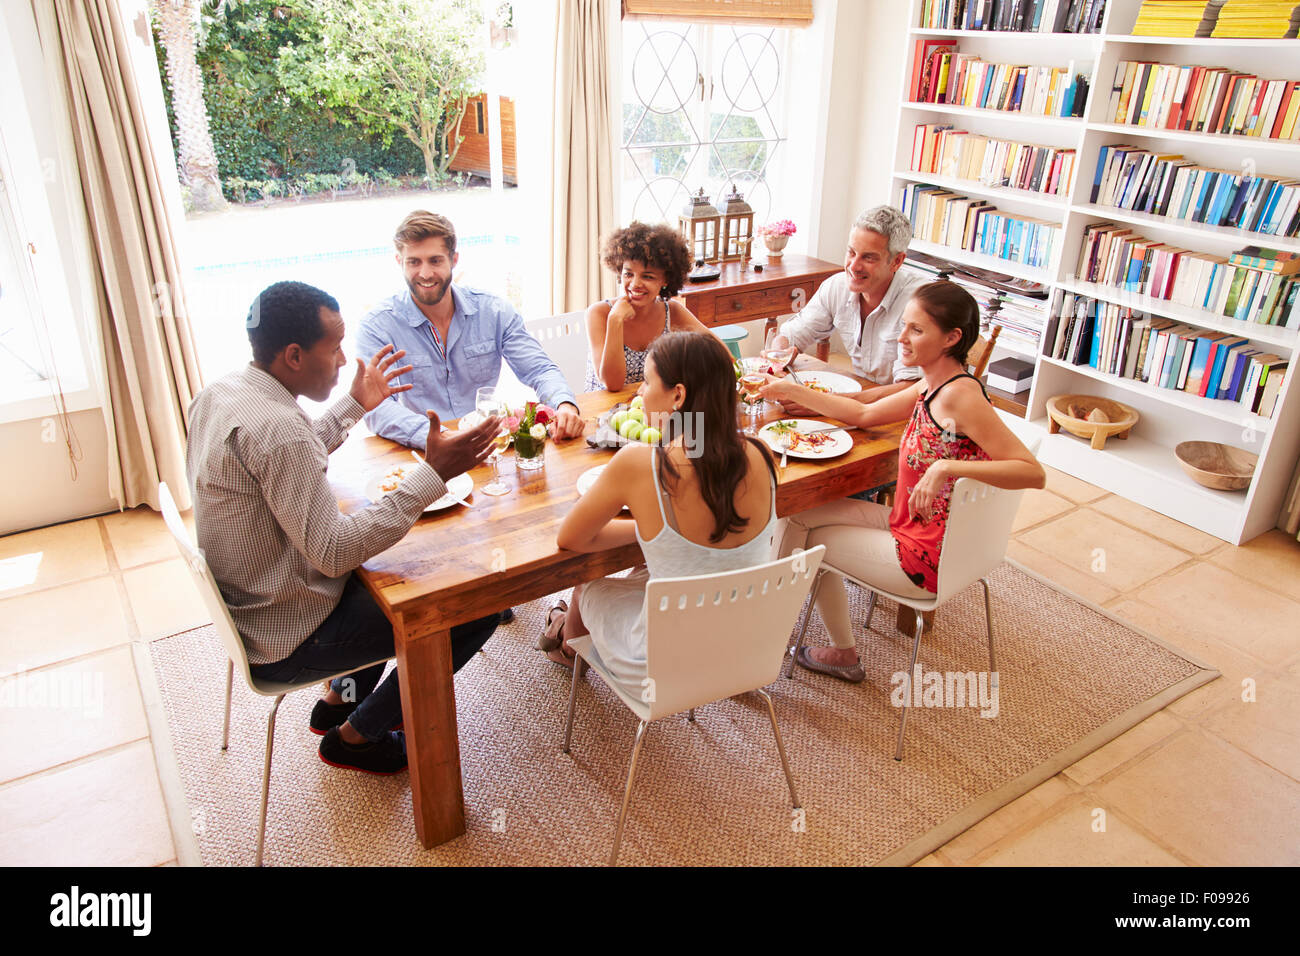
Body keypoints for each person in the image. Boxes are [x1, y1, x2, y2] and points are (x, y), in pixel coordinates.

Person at [187, 281, 504, 773]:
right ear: (294, 355)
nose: (343, 360)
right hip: (287, 635)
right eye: (334, 348)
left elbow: (286, 457)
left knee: (390, 566)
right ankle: (356, 737)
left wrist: (356, 403)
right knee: (475, 604)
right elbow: (334, 553)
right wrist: (433, 474)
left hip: (257, 604)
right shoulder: (279, 429)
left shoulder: (225, 392)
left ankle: (338, 701)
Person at [759, 280, 1045, 683]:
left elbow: (1032, 472)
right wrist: (791, 390)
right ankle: (779, 638)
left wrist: (946, 468)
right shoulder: (931, 384)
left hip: (926, 555)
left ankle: (766, 648)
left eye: (916, 329)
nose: (902, 337)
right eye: (904, 325)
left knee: (810, 543)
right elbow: (861, 414)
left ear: (952, 338)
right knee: (796, 513)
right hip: (913, 525)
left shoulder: (959, 396)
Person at [544, 332, 778, 693]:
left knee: (586, 578)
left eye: (647, 382)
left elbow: (572, 538)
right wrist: (655, 532)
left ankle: (567, 649)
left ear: (678, 395)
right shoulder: (762, 453)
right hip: (745, 649)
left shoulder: (639, 463)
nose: (639, 393)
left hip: (659, 665)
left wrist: (650, 529)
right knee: (657, 566)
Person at [356, 210, 586, 449]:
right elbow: (376, 408)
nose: (425, 274)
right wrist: (438, 436)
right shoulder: (377, 326)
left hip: (485, 446)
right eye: (414, 262)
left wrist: (564, 404)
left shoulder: (494, 311)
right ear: (399, 262)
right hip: (422, 450)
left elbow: (539, 369)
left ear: (454, 259)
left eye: (435, 260)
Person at [766, 205, 926, 415]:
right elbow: (791, 334)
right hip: (862, 403)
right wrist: (780, 349)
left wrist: (825, 403)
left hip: (907, 415)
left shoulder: (918, 304)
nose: (853, 266)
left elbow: (914, 391)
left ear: (896, 261)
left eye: (868, 258)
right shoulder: (837, 286)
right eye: (851, 252)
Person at [584, 221, 713, 392]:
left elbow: (720, 355)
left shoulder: (672, 312)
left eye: (648, 276)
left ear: (665, 280)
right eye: (628, 274)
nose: (635, 284)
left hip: (654, 409)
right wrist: (615, 320)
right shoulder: (599, 313)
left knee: (697, 419)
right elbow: (613, 384)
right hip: (604, 412)